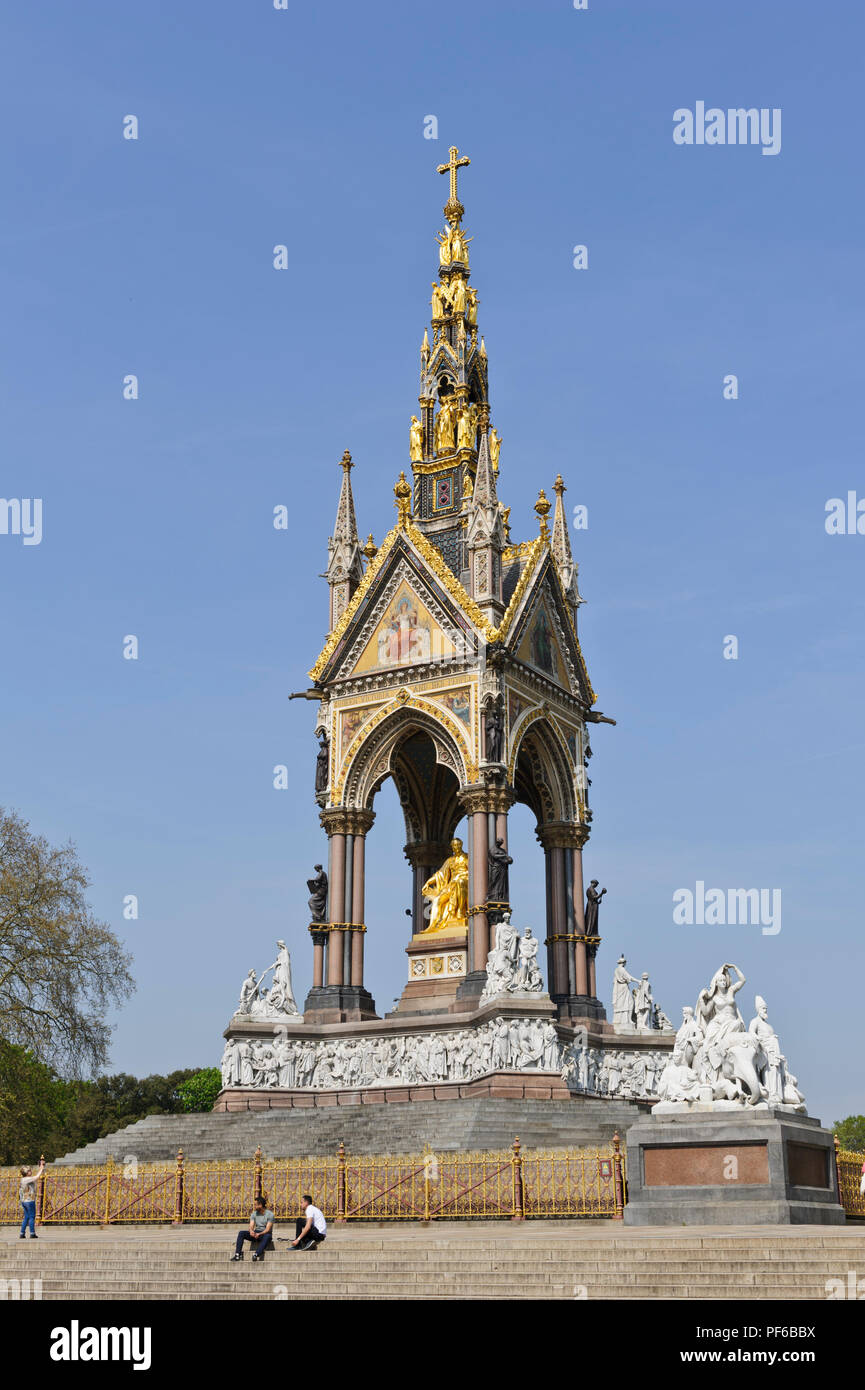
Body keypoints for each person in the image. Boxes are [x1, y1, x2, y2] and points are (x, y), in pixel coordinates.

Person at [231, 1195, 275, 1262]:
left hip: (264, 1234)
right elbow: (251, 1225)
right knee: (241, 1233)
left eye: (255, 1205)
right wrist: (251, 1231)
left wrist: (259, 1234)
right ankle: (237, 1254)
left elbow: (267, 1229)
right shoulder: (254, 1214)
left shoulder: (270, 1214)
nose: (254, 1206)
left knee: (267, 1236)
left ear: (260, 1205)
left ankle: (256, 1254)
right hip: (256, 1232)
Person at [19, 1158, 44, 1239]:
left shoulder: (23, 1179)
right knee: (32, 1217)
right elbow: (37, 1177)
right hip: (29, 1201)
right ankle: (32, 1233)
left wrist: (40, 1167)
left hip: (24, 1201)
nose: (31, 1171)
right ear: (26, 1173)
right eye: (29, 1171)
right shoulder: (27, 1179)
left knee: (26, 1217)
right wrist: (42, 1168)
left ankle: (22, 1233)